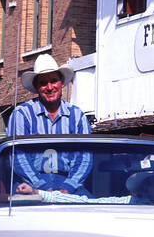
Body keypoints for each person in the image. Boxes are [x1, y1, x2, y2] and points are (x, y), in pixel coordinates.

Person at [6, 52, 91, 194]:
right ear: (36, 87)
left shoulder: (77, 115)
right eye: (43, 83)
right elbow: (17, 156)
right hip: (29, 184)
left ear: (62, 82)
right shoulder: (22, 114)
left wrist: (68, 188)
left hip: (69, 182)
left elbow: (85, 158)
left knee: (92, 210)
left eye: (53, 81)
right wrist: (42, 188)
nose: (50, 87)